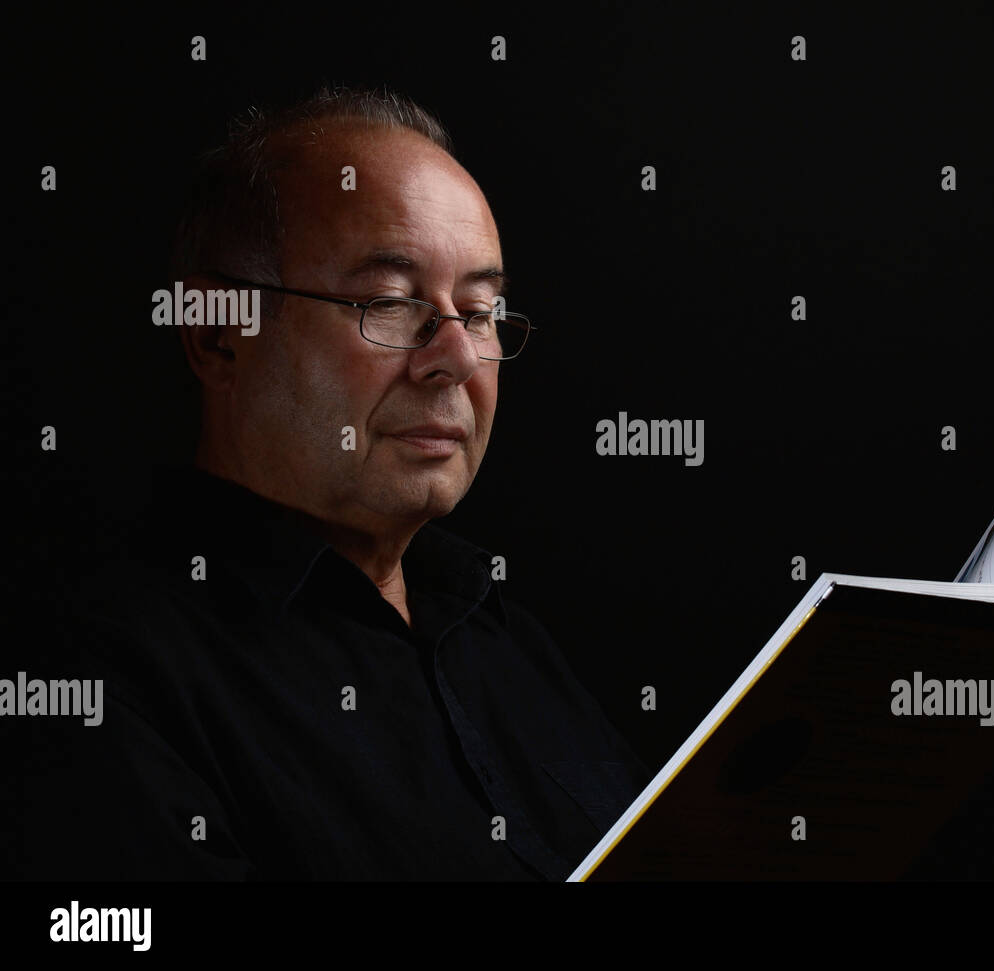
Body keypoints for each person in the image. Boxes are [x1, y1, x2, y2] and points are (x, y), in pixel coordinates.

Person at [9, 85, 650, 881]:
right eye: (387, 302)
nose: (454, 358)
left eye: (480, 311)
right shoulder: (90, 674)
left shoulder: (502, 634)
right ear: (218, 333)